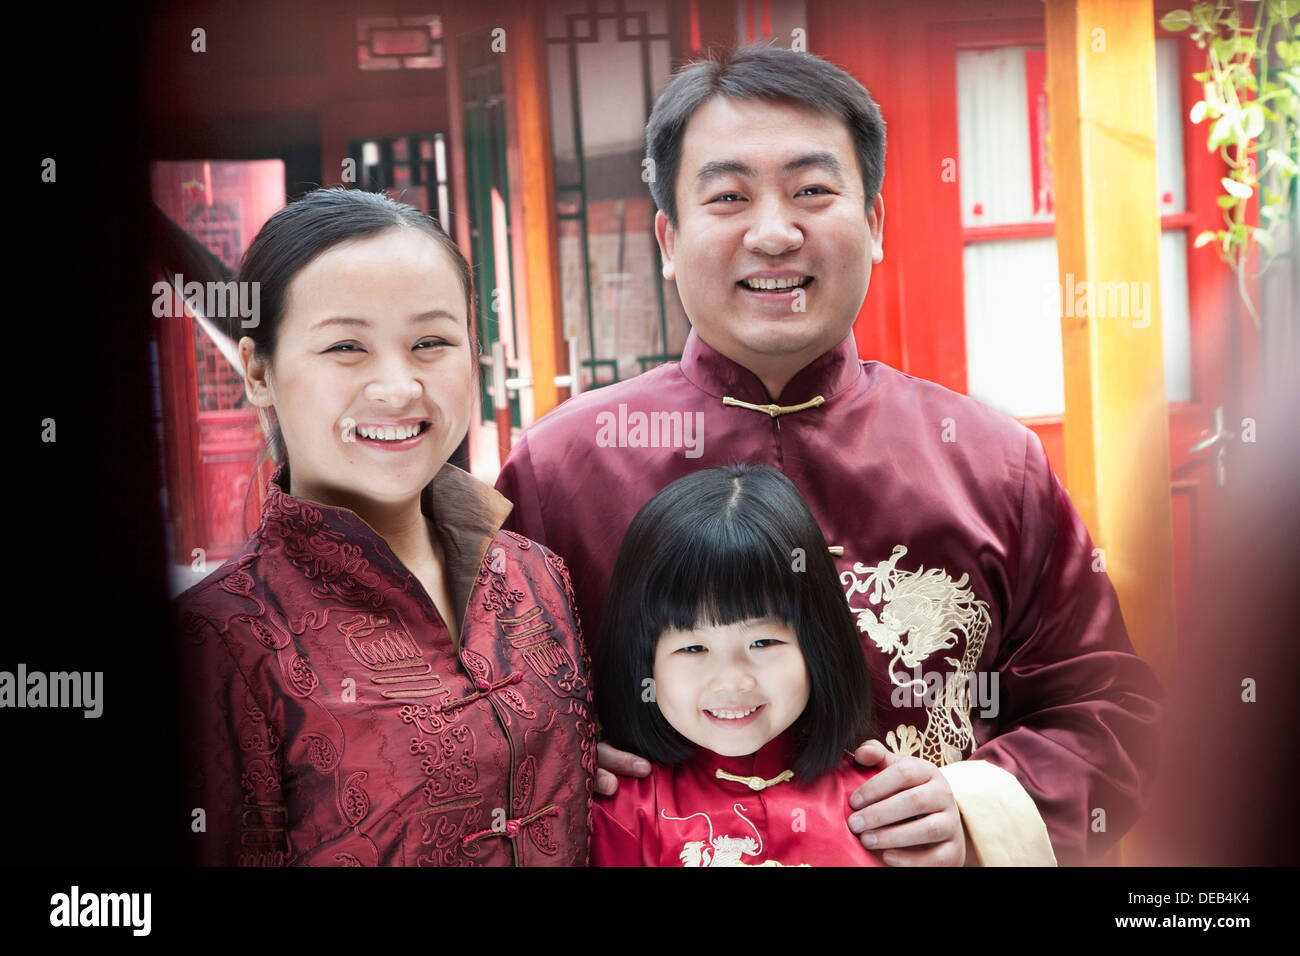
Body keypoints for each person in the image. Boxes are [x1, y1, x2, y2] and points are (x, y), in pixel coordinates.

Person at [496, 45, 1165, 866]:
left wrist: (970, 810)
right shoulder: (562, 468)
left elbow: (1111, 708)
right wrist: (555, 776)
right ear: (668, 239)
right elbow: (481, 714)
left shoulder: (994, 464)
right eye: (729, 196)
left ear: (875, 223)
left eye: (813, 191)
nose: (775, 233)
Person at [175, 188, 594, 866]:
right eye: (346, 346)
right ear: (258, 370)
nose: (398, 388)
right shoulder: (220, 640)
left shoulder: (534, 572)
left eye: (430, 342)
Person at [590, 464, 887, 867]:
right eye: (693, 648)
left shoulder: (881, 807)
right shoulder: (614, 817)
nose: (731, 680)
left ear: (819, 644)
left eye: (763, 641)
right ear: (644, 660)